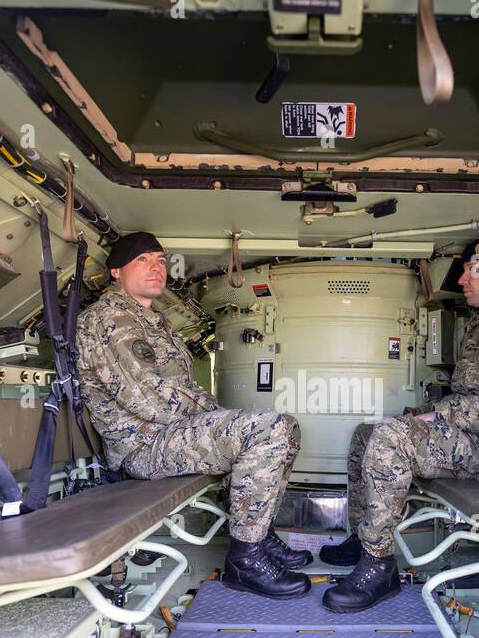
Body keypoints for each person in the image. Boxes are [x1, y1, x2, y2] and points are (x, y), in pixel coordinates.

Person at [320, 234, 479, 613]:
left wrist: (439, 415)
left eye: (472, 270)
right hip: (468, 440)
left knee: (390, 438)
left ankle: (379, 563)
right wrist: (423, 413)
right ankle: (363, 535)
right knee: (367, 433)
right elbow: (465, 397)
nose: (463, 279)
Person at [76, 232, 312, 599]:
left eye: (160, 260)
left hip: (170, 434)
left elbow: (184, 388)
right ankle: (245, 560)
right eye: (143, 260)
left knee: (285, 428)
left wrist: (215, 416)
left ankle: (258, 534)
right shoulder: (109, 319)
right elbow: (148, 400)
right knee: (269, 430)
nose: (156, 268)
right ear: (116, 272)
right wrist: (215, 417)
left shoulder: (155, 321)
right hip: (143, 445)